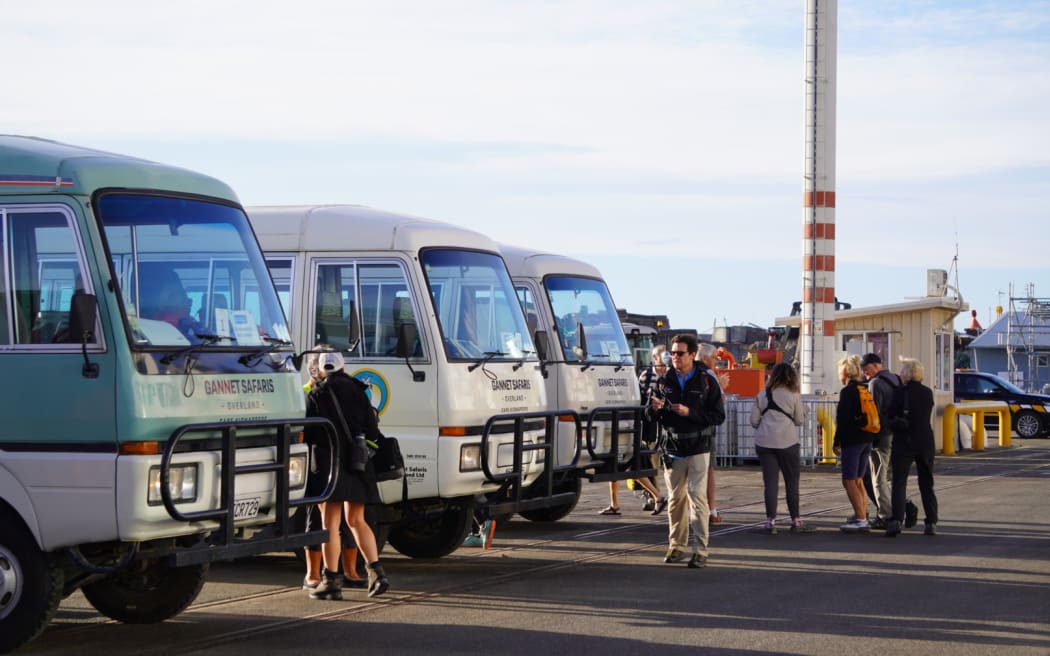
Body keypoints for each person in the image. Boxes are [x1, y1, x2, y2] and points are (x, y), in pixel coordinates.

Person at [304, 349, 390, 599]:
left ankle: (331, 581)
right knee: (356, 519)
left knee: (329, 522)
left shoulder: (316, 395)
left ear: (320, 369)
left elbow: (308, 434)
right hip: (358, 463)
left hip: (329, 465)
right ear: (342, 367)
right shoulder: (359, 391)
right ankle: (376, 573)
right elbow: (373, 432)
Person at [649, 334, 726, 568]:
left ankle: (700, 550)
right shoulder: (664, 381)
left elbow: (718, 416)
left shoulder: (706, 381)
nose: (675, 357)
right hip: (673, 448)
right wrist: (654, 409)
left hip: (698, 447)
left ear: (692, 355)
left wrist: (690, 412)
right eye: (672, 353)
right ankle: (676, 546)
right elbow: (650, 415)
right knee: (674, 500)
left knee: (697, 498)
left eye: (680, 353)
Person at [301, 352, 368, 591]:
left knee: (321, 520)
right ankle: (353, 572)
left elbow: (304, 432)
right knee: (351, 521)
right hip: (353, 461)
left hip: (322, 462)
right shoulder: (356, 388)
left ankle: (317, 576)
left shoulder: (311, 392)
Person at [749, 362, 816, 534]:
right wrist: (805, 411)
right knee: (791, 482)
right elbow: (799, 421)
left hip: (764, 443)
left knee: (770, 484)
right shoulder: (793, 395)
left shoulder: (762, 394)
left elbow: (754, 421)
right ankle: (796, 520)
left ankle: (770, 521)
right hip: (788, 443)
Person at [861, 353, 919, 530]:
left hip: (882, 435)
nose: (865, 373)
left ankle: (885, 515)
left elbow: (874, 412)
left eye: (866, 369)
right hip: (899, 434)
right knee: (892, 476)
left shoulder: (875, 384)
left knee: (878, 476)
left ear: (876, 366)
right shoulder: (897, 379)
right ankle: (905, 505)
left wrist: (872, 436)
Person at [884, 357, 939, 537]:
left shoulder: (899, 393)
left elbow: (890, 415)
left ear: (907, 374)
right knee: (926, 482)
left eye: (902, 371)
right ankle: (931, 521)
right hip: (925, 440)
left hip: (904, 440)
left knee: (899, 482)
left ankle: (897, 520)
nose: (900, 374)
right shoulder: (927, 393)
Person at [834, 355, 872, 533]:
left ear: (845, 372)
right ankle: (862, 514)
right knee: (858, 480)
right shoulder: (865, 388)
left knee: (848, 480)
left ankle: (860, 519)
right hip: (866, 438)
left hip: (852, 441)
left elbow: (842, 420)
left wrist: (836, 442)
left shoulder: (847, 392)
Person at [696, 343, 726, 524]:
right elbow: (718, 402)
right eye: (715, 358)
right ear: (705, 358)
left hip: (687, 429)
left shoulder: (689, 372)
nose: (716, 361)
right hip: (705, 429)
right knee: (708, 470)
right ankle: (711, 511)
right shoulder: (710, 375)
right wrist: (721, 387)